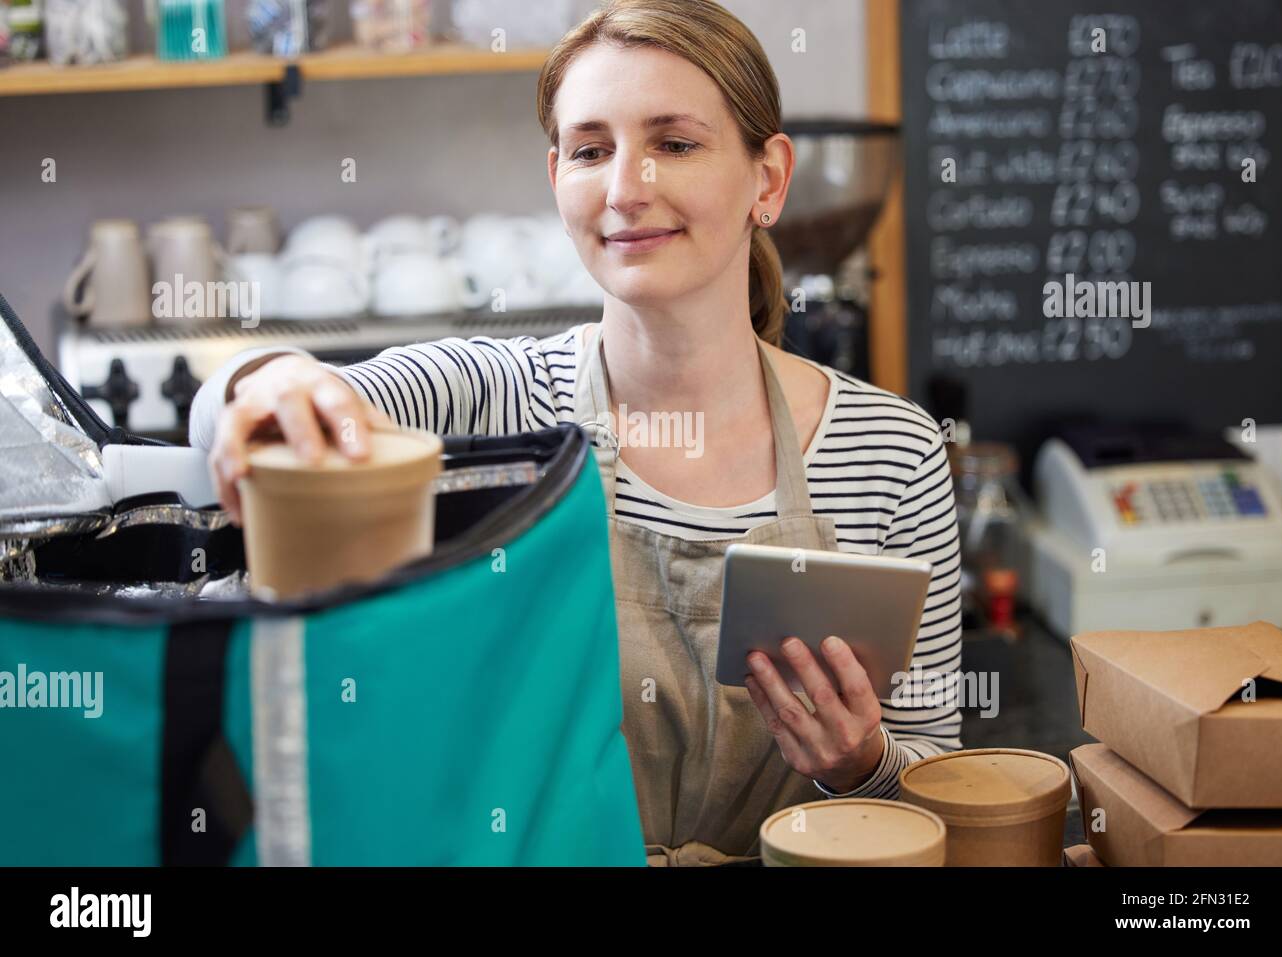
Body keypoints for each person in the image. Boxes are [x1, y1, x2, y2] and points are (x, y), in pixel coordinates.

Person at [190, 0, 963, 866]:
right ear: (557, 175)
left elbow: (942, 791)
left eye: (675, 142)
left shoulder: (891, 452)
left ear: (768, 180)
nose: (626, 188)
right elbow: (250, 404)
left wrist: (860, 764)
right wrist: (268, 379)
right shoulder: (494, 400)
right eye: (592, 150)